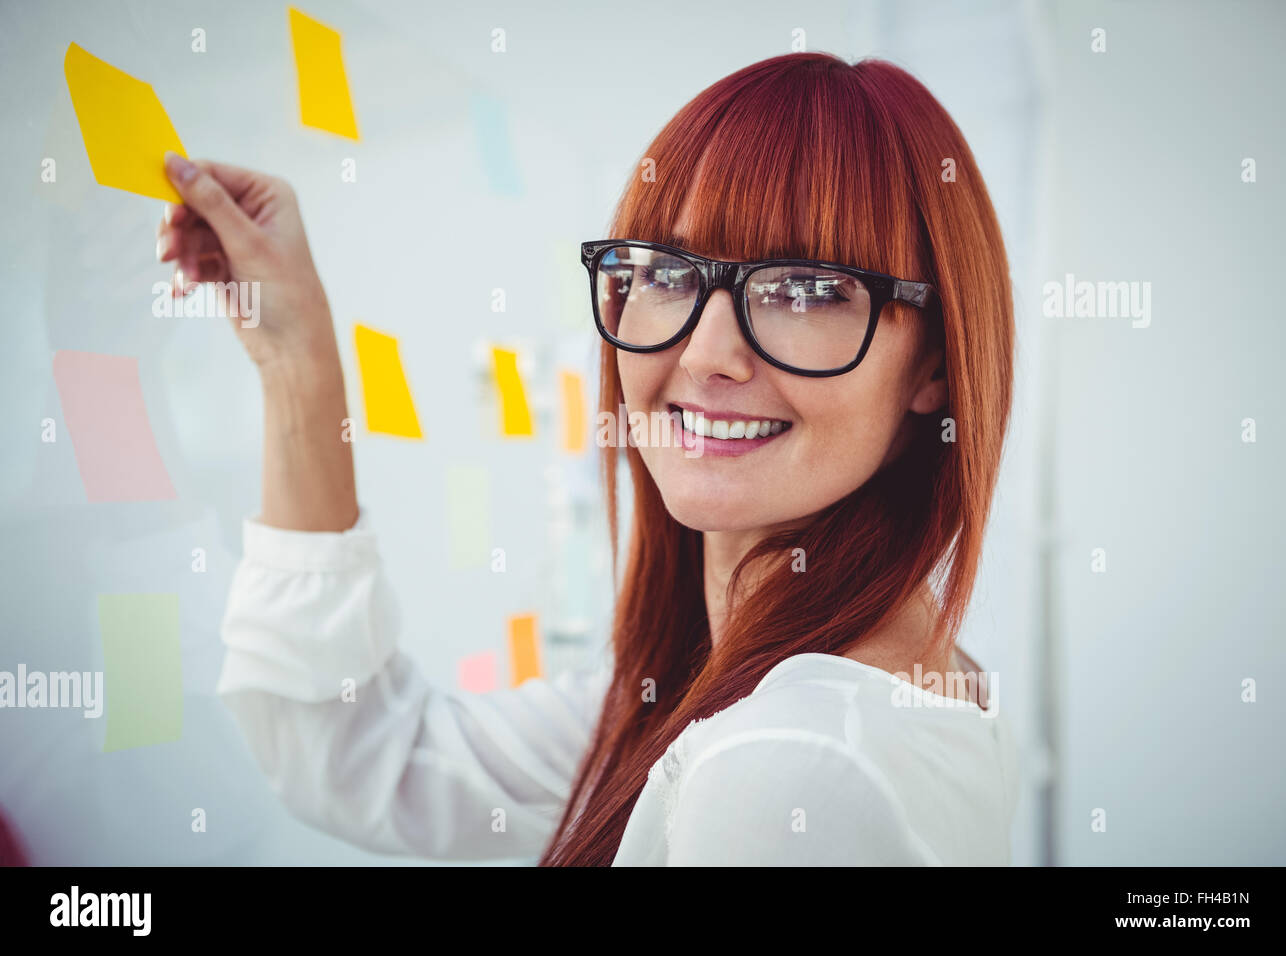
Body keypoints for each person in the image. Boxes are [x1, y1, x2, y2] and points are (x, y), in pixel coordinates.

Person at [157, 51, 1017, 866]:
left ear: (935, 365)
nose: (709, 352)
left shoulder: (784, 762)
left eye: (805, 289)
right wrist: (295, 359)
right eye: (669, 274)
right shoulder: (775, 690)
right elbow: (365, 756)